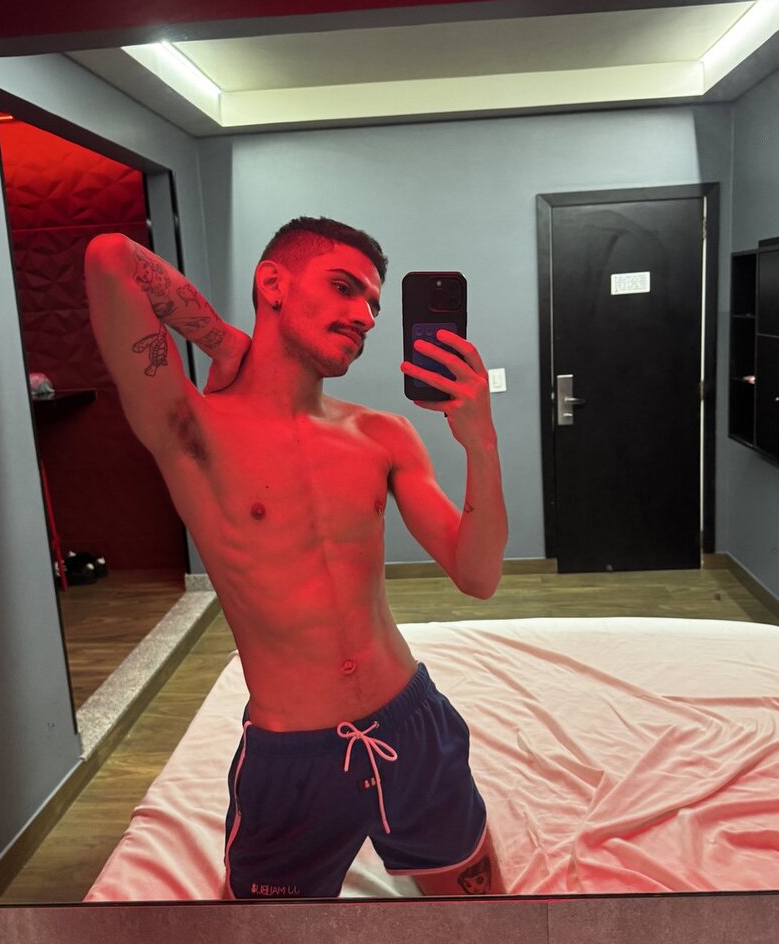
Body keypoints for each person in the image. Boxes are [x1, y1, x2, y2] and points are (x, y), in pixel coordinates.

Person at [84, 216, 508, 899]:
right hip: (292, 761)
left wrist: (480, 444)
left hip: (412, 725)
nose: (364, 315)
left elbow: (478, 575)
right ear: (272, 283)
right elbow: (111, 258)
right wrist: (223, 340)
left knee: (483, 917)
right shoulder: (191, 429)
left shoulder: (383, 434)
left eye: (373, 303)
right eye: (343, 287)